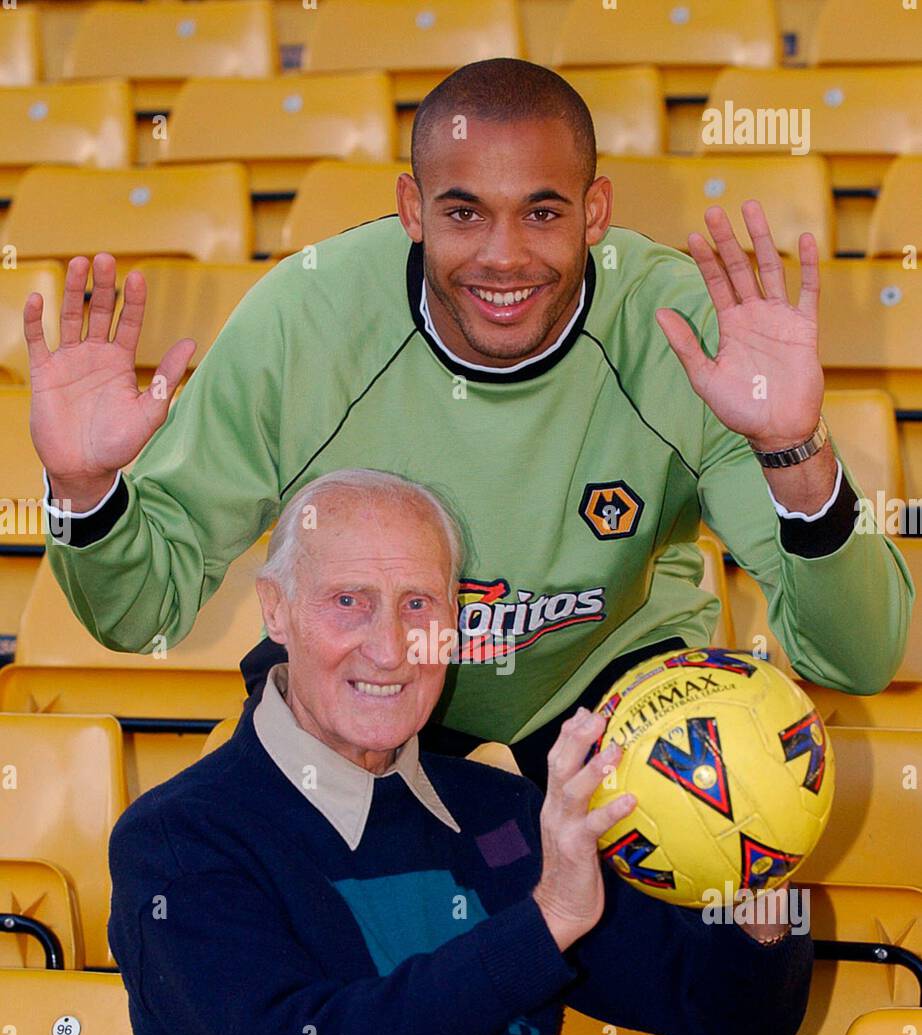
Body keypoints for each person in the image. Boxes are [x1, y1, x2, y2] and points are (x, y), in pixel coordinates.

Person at [107, 470, 922, 1035]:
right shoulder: (181, 839)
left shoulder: (501, 818)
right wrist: (542, 924)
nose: (391, 648)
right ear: (274, 609)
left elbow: (734, 1026)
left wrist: (756, 874)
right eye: (349, 601)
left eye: (420, 606)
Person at [26, 60, 914, 791]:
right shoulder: (303, 323)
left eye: (542, 211)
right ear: (412, 210)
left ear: (595, 212)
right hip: (371, 675)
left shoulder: (685, 332)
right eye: (463, 213)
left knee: (735, 916)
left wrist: (791, 449)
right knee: (213, 871)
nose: (503, 256)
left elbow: (858, 659)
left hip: (609, 678)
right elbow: (141, 612)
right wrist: (83, 491)